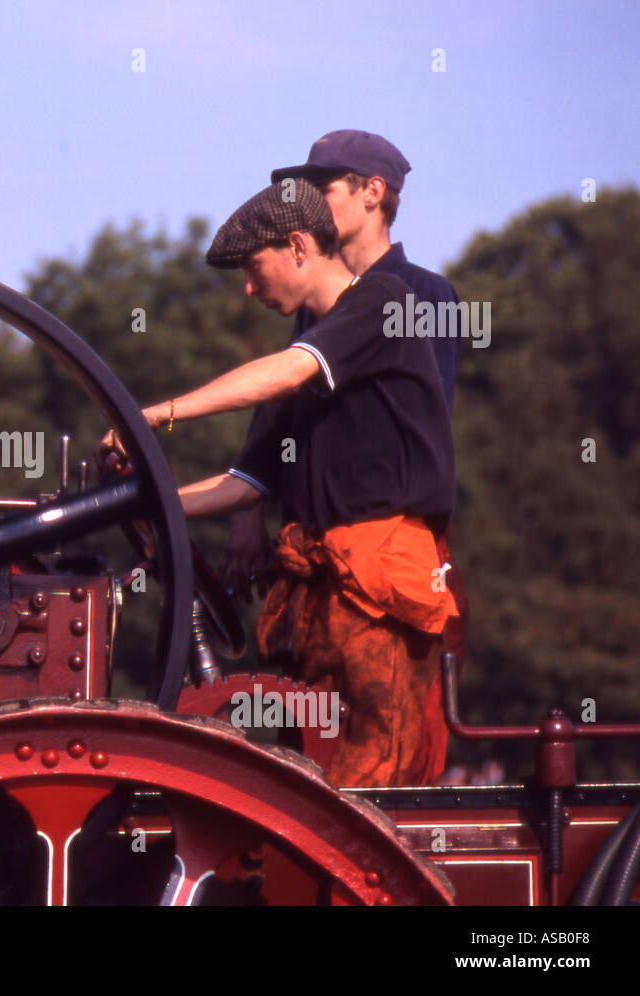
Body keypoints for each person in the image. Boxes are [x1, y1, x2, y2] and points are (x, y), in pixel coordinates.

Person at [104, 178, 458, 787]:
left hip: (379, 590)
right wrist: (131, 502)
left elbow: (290, 370)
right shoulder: (302, 357)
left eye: (253, 267)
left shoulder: (381, 303)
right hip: (320, 601)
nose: (248, 288)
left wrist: (156, 413)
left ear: (298, 246)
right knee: (312, 779)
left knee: (371, 781)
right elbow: (245, 484)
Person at [222, 131, 468, 782]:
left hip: (379, 557)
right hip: (320, 559)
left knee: (380, 752)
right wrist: (247, 508)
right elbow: (280, 404)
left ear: (372, 193)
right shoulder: (318, 302)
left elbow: (421, 428)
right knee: (305, 746)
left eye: (322, 186)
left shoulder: (420, 294)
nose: (305, 200)